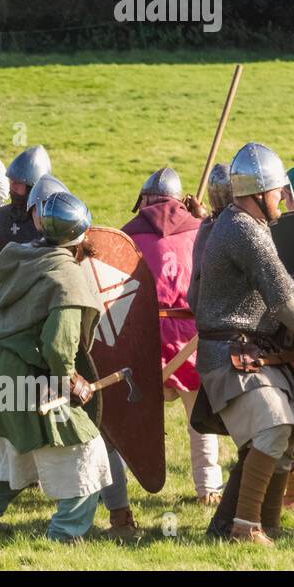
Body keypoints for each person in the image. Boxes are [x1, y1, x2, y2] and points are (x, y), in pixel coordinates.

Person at [193, 143, 294, 544]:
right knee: (274, 429)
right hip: (232, 353)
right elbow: (281, 300)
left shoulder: (245, 226)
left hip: (254, 352)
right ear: (257, 193)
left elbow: (276, 281)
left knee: (289, 438)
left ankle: (266, 525)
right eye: (276, 192)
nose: (282, 199)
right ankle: (245, 528)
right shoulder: (243, 231)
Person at [0, 191, 114, 542]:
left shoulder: (17, 255)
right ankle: (65, 533)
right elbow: (58, 343)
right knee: (84, 450)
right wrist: (69, 380)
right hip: (24, 375)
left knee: (15, 448)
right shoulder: (66, 277)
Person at [122, 167, 222, 509]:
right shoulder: (202, 232)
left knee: (129, 417)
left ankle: (115, 490)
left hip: (145, 339)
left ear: (145, 200)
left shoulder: (127, 238)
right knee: (200, 418)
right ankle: (208, 487)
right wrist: (205, 219)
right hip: (191, 339)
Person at [0, 144, 51, 257]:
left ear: (32, 186)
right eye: (11, 181)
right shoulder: (2, 216)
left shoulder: (51, 220)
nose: (12, 186)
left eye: (18, 182)